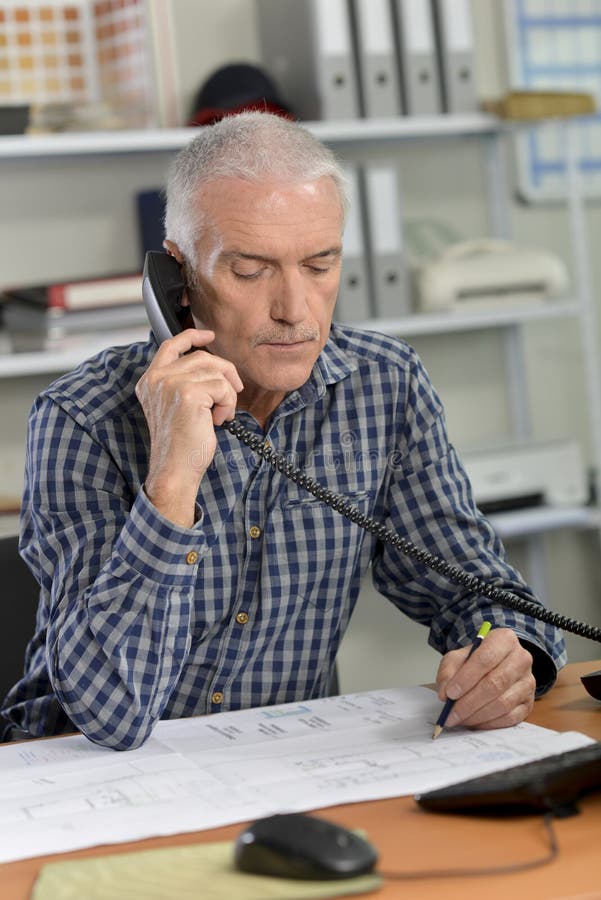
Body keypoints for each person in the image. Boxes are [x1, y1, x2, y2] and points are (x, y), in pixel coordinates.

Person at [1, 112, 566, 750]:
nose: (295, 311)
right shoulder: (82, 416)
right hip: (72, 771)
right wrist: (172, 479)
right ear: (178, 278)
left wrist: (510, 654)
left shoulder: (385, 385)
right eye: (251, 271)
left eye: (320, 266)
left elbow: (484, 593)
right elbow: (110, 714)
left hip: (282, 761)